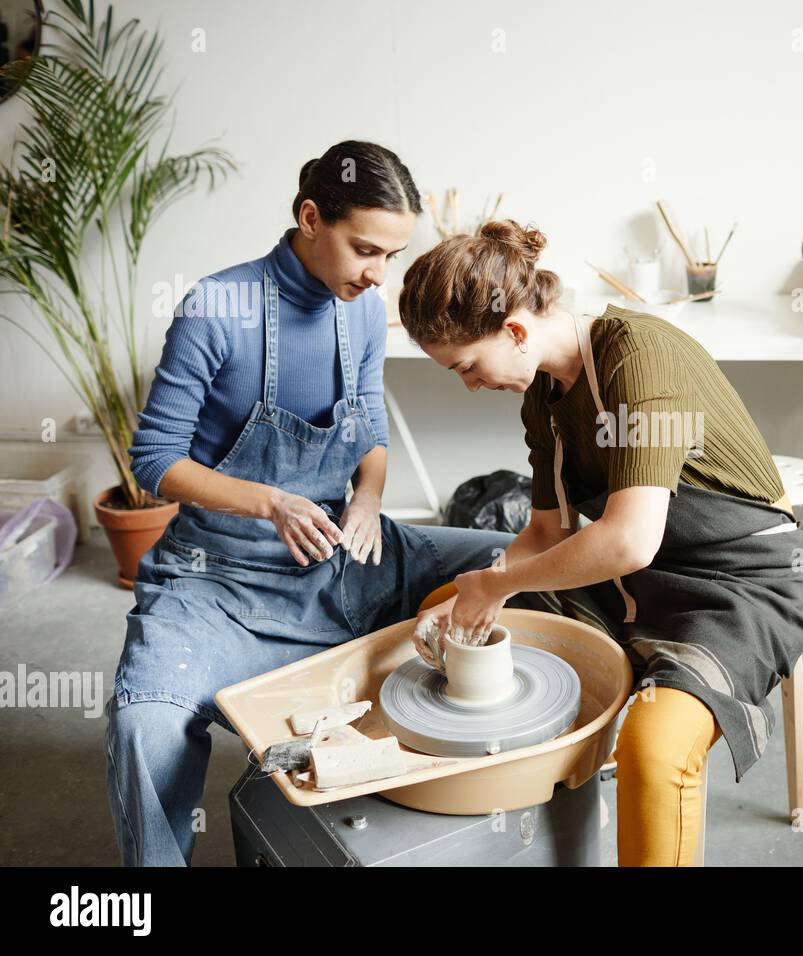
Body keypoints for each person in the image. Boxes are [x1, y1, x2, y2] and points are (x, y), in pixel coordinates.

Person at [105, 141, 514, 866]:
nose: (377, 273)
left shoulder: (359, 311)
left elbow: (371, 429)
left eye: (391, 255)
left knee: (512, 561)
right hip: (221, 577)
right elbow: (154, 460)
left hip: (340, 553)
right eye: (365, 249)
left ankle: (480, 791)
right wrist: (271, 503)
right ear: (309, 217)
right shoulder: (216, 308)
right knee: (145, 720)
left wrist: (369, 497)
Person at [398, 219, 803, 866]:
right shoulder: (542, 398)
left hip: (738, 582)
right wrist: (478, 599)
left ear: (514, 331)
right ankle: (521, 830)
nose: (470, 385)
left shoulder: (640, 356)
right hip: (629, 580)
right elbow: (545, 534)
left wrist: (499, 585)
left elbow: (629, 540)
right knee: (442, 610)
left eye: (467, 367)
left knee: (654, 747)